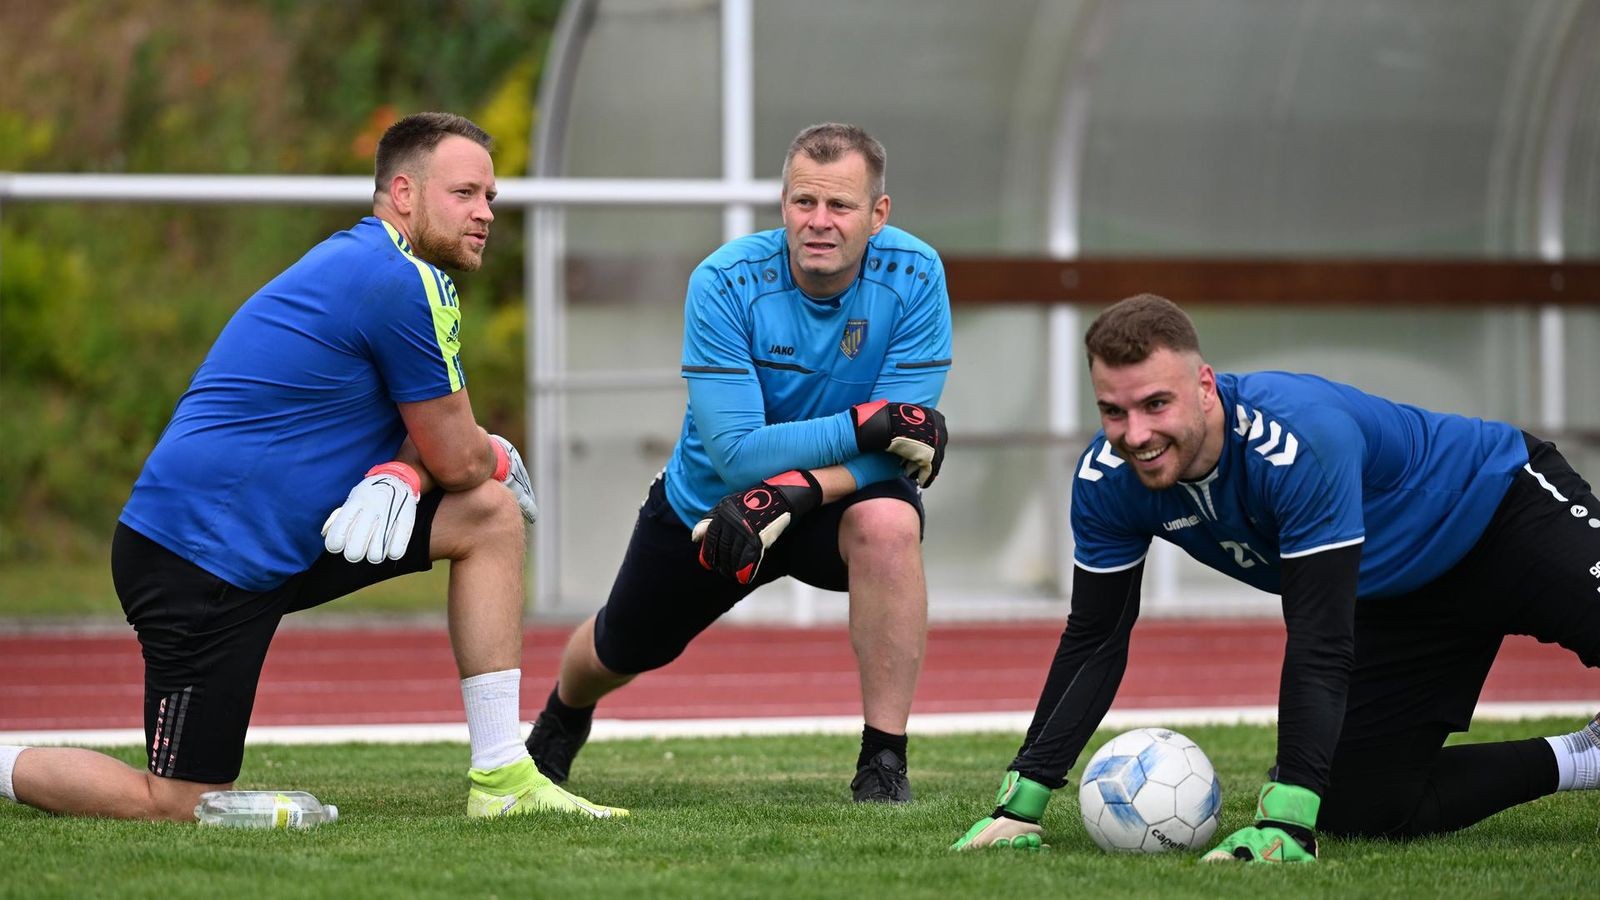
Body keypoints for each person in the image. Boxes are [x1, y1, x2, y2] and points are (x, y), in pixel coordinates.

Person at [0, 112, 624, 822]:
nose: (484, 213)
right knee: (177, 803)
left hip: (261, 544)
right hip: (198, 559)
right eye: (465, 193)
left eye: (491, 198)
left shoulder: (383, 266)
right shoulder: (393, 278)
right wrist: (490, 454)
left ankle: (503, 776)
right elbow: (460, 455)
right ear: (403, 193)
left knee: (487, 516)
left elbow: (437, 444)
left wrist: (409, 472)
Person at [952, 294, 1599, 858]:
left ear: (1205, 386)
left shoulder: (1296, 442)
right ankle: (1586, 756)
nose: (1137, 434)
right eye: (1114, 412)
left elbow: (1320, 640)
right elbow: (1095, 638)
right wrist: (1021, 803)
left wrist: (1285, 822)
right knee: (1355, 806)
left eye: (1156, 404)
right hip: (1402, 596)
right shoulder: (1106, 481)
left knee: (1305, 798)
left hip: (1502, 511)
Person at [524, 122, 953, 803]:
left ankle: (883, 762)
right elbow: (736, 454)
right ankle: (561, 717)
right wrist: (862, 424)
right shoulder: (723, 280)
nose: (819, 222)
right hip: (712, 505)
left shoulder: (918, 274)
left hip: (828, 503)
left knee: (890, 528)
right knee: (622, 647)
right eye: (802, 202)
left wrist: (801, 492)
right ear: (782, 203)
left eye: (840, 206)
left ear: (879, 214)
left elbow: (908, 449)